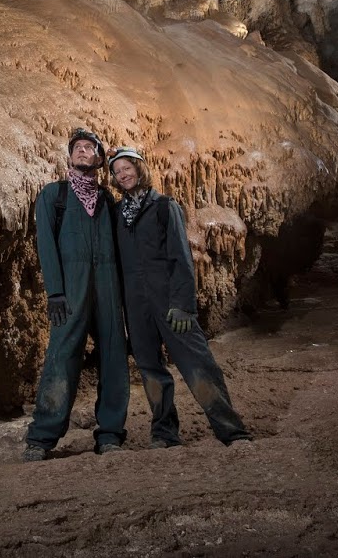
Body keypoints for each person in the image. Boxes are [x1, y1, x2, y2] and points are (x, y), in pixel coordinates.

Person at [109, 146, 253, 448]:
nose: (123, 174)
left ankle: (231, 430)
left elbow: (181, 257)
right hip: (137, 306)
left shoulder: (163, 207)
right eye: (117, 170)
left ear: (140, 168)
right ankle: (164, 433)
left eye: (127, 167)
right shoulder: (118, 214)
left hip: (169, 302)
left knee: (197, 364)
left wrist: (184, 305)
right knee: (150, 369)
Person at [23, 129, 131, 460]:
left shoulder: (108, 201)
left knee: (114, 355)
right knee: (62, 356)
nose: (83, 152)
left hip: (107, 285)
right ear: (70, 157)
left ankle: (110, 433)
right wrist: (55, 291)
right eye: (77, 148)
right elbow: (46, 246)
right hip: (71, 286)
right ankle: (42, 437)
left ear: (100, 159)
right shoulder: (53, 195)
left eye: (90, 148)